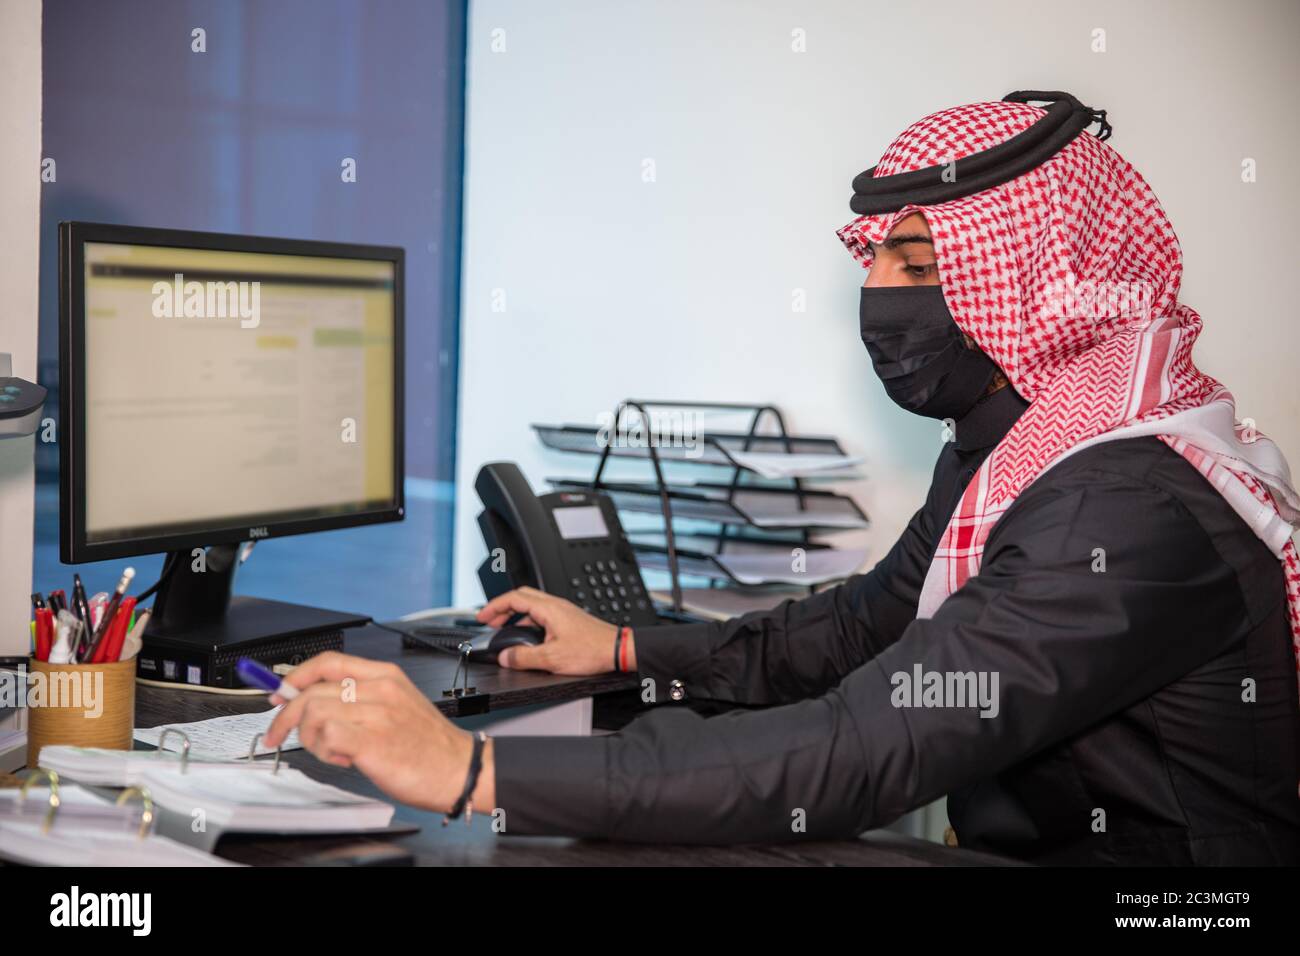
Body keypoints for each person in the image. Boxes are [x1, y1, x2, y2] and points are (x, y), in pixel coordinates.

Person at [265, 93, 1300, 865]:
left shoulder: (1121, 501)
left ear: (1045, 279)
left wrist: (470, 770)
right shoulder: (1023, 448)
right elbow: (863, 630)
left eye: (920, 267)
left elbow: (866, 742)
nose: (878, 298)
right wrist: (627, 643)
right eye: (874, 263)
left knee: (659, 845)